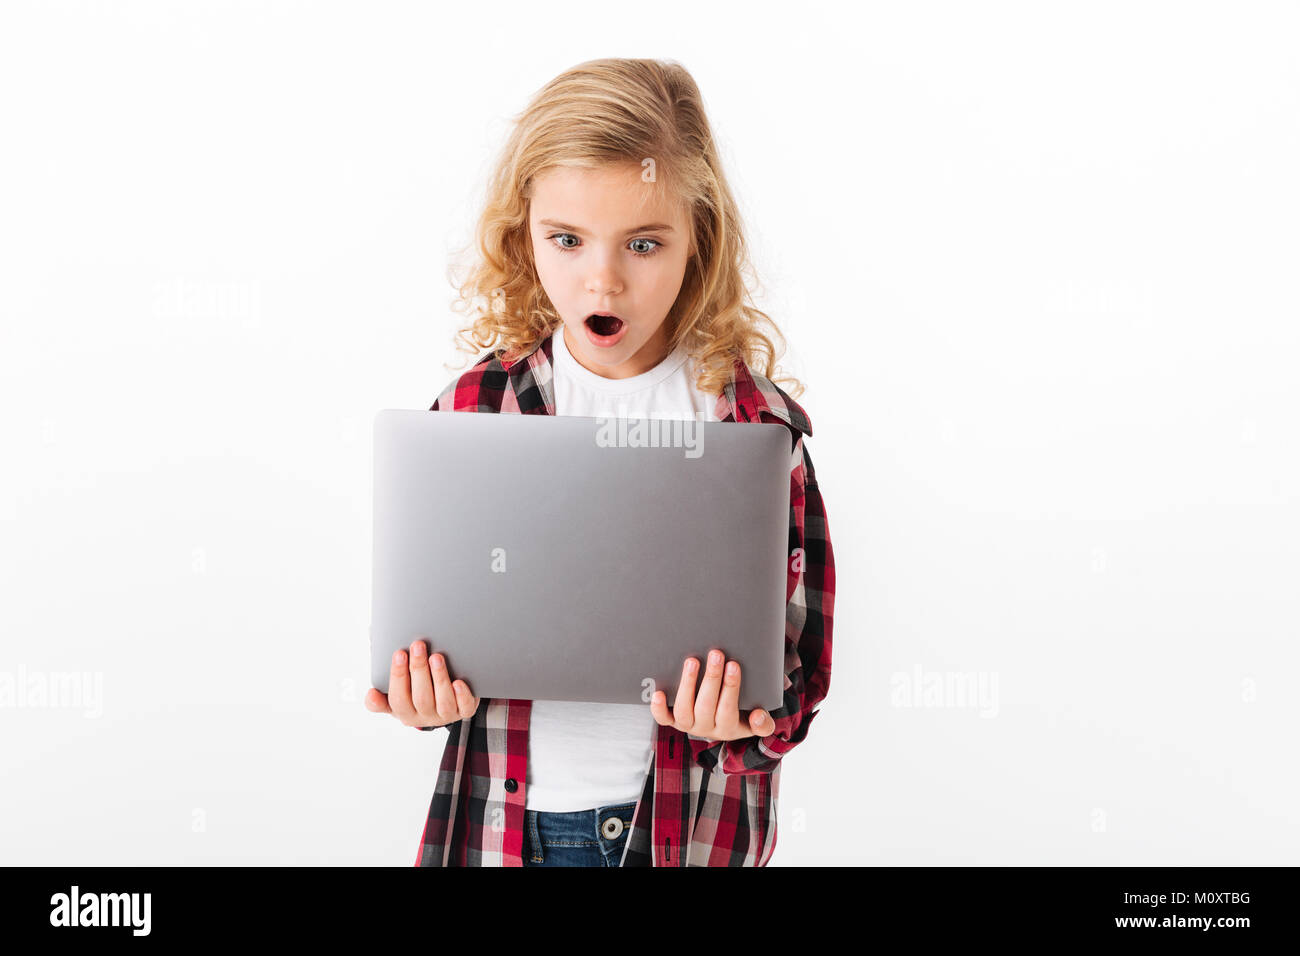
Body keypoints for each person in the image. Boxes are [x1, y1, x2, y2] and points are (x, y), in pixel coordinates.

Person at [365, 57, 836, 866]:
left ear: (700, 241)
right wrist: (425, 697)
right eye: (568, 240)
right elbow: (439, 641)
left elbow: (795, 681)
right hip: (504, 834)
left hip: (680, 838)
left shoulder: (753, 426)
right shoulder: (478, 411)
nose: (603, 279)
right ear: (524, 235)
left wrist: (747, 722)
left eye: (644, 243)